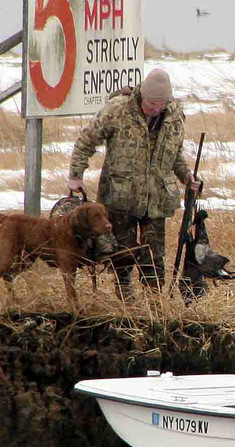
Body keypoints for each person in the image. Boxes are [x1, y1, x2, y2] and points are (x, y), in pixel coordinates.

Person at [68, 68, 201, 296]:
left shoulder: (174, 116)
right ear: (142, 95)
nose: (155, 109)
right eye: (151, 103)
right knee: (123, 253)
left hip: (156, 198)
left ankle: (153, 300)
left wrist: (186, 176)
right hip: (121, 196)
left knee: (154, 255)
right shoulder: (118, 109)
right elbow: (86, 140)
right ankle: (125, 296)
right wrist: (76, 175)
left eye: (161, 104)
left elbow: (173, 153)